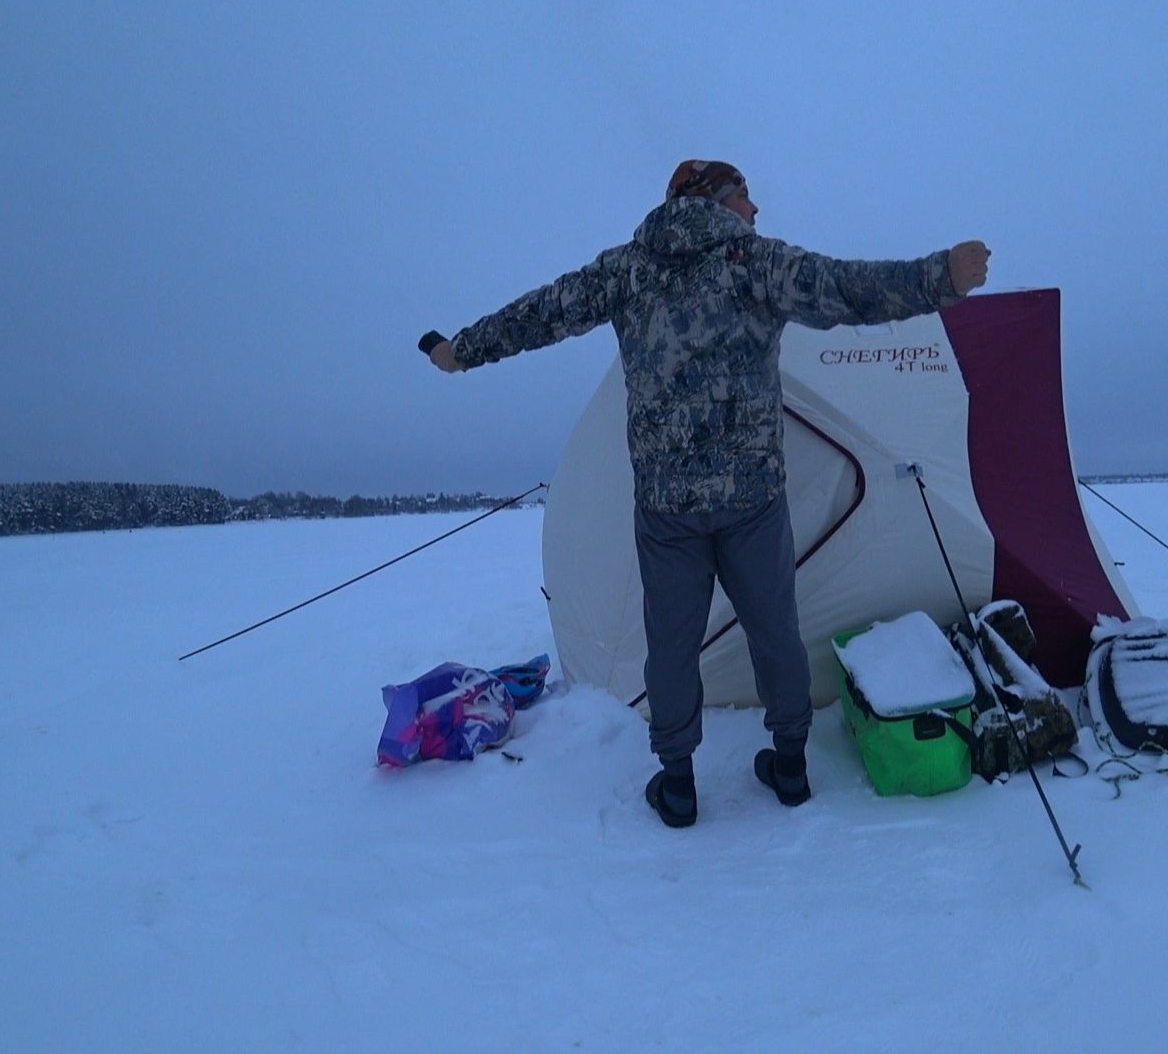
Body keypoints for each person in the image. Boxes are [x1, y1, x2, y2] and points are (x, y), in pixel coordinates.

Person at [422, 159, 989, 827]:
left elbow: (539, 315)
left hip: (669, 507)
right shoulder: (753, 261)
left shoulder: (627, 269)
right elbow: (847, 288)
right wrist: (938, 277)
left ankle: (680, 783)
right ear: (716, 197)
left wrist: (462, 349)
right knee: (774, 629)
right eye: (747, 196)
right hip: (752, 497)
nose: (755, 210)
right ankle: (790, 765)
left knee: (671, 643)